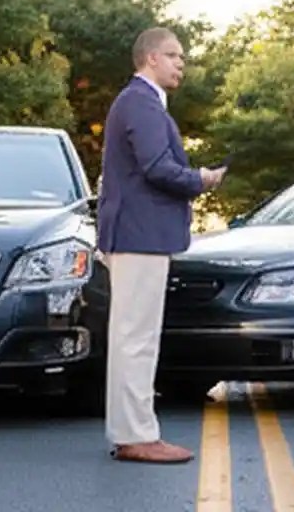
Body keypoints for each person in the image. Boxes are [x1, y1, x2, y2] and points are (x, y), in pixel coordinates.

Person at [97, 27, 226, 464]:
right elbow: (156, 168)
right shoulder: (141, 103)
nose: (181, 64)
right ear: (150, 58)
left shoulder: (137, 103)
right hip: (140, 235)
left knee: (131, 336)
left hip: (134, 234)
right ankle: (136, 436)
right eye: (173, 55)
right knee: (137, 338)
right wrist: (201, 181)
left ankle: (129, 431)